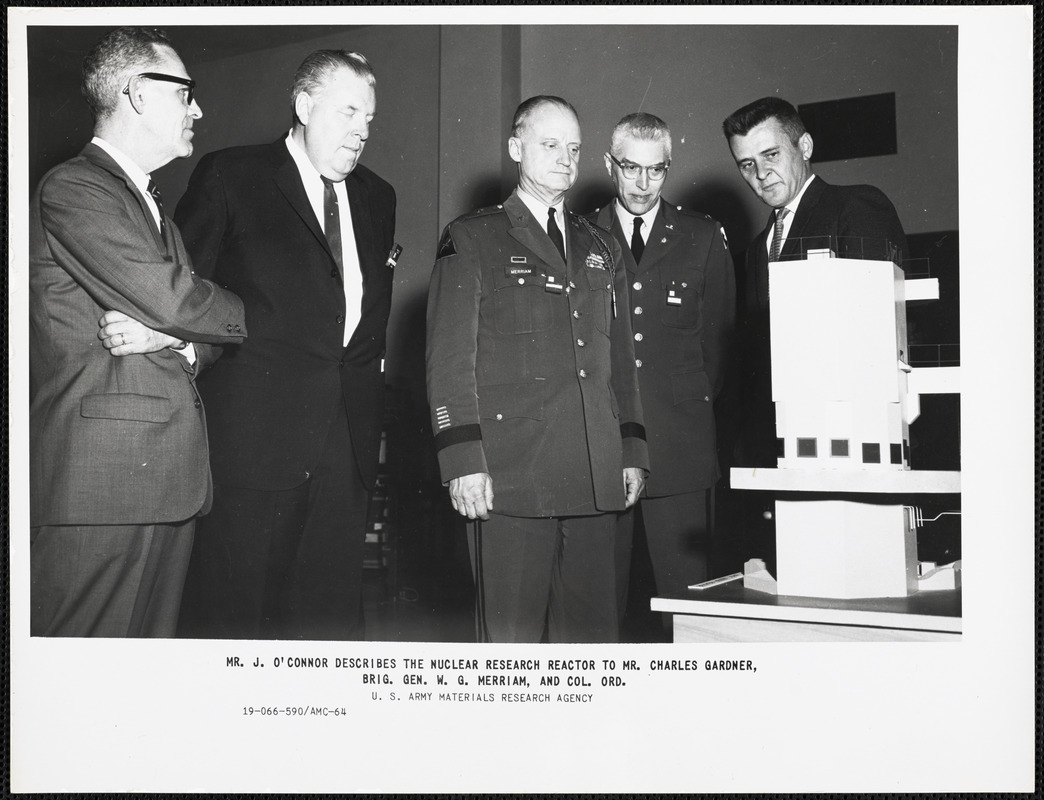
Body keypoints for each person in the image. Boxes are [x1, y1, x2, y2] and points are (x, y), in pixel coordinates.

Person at [28, 27, 247, 637]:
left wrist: (172, 339)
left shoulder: (158, 214)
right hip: (100, 489)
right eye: (186, 92)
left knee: (137, 683)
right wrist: (235, 310)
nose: (198, 109)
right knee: (81, 685)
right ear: (139, 94)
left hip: (165, 485)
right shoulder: (74, 187)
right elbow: (172, 296)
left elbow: (181, 323)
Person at [173, 50, 397, 640]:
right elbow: (182, 291)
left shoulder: (379, 197)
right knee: (236, 618)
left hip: (345, 447)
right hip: (253, 444)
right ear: (303, 106)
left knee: (327, 623)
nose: (362, 130)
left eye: (369, 118)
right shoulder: (231, 175)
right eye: (348, 112)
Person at [425, 96, 649, 644]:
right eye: (550, 145)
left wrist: (633, 451)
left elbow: (620, 361)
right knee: (511, 648)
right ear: (516, 148)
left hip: (596, 474)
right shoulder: (473, 236)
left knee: (595, 646)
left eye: (573, 148)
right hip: (511, 477)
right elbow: (449, 360)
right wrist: (461, 460)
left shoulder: (600, 246)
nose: (565, 159)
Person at [720, 96, 908, 567]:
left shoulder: (856, 206)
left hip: (851, 440)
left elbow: (876, 336)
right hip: (781, 446)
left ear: (803, 145)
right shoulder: (757, 248)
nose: (760, 174)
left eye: (771, 155)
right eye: (746, 164)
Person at [585, 113, 735, 635]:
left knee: (689, 610)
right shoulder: (579, 236)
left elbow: (717, 348)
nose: (644, 184)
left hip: (681, 447)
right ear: (609, 166)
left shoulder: (702, 236)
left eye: (657, 170)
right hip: (603, 449)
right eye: (631, 168)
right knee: (599, 607)